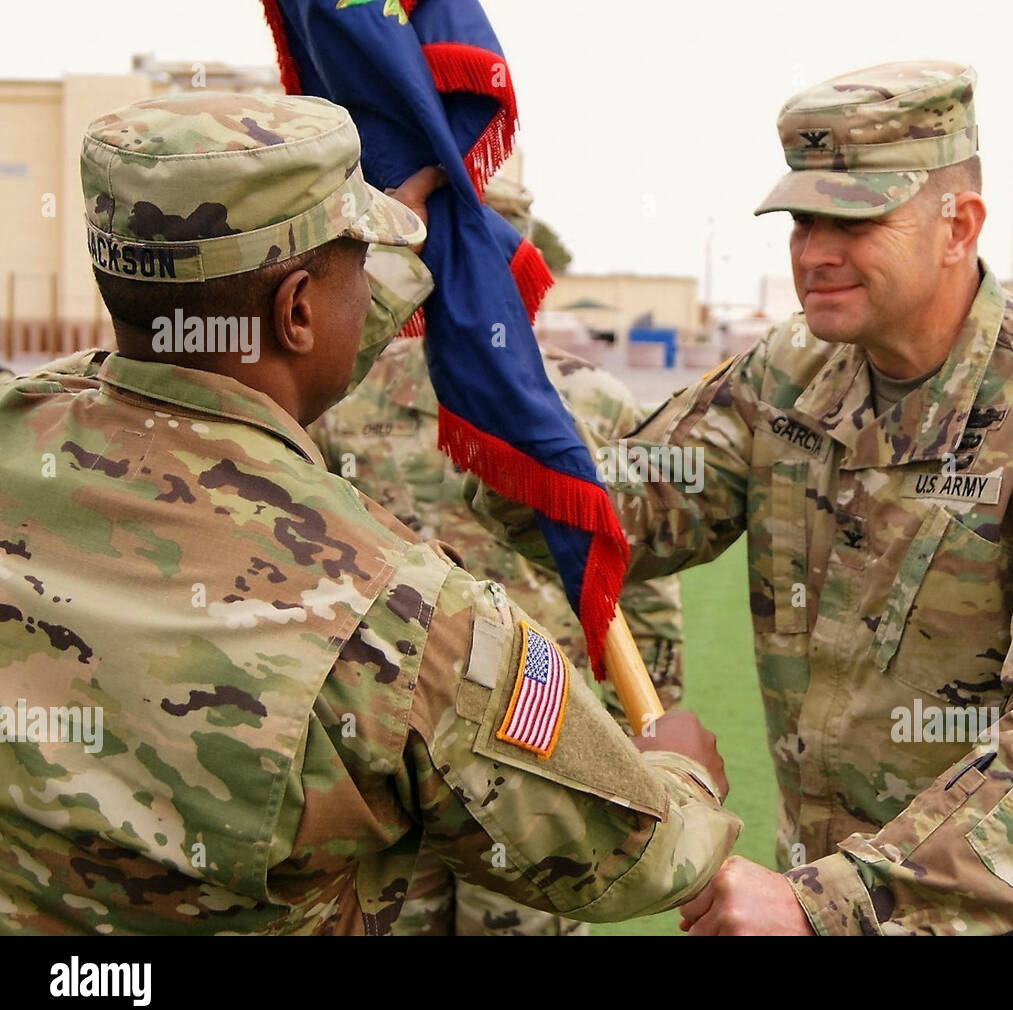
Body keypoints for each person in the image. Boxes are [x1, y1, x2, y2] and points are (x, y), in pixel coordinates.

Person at [471, 60, 1013, 936]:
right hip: (835, 892)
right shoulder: (791, 375)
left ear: (957, 224)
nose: (816, 251)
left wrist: (831, 906)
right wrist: (489, 390)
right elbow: (632, 517)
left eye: (855, 220)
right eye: (804, 219)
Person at [0, 90, 739, 936]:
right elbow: (627, 857)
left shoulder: (21, 428)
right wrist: (682, 774)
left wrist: (393, 260)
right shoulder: (400, 611)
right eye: (360, 263)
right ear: (299, 309)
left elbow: (235, 351)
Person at [310, 175, 686, 936]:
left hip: (542, 753)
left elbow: (640, 583)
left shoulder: (590, 402)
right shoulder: (343, 393)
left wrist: (637, 734)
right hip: (389, 753)